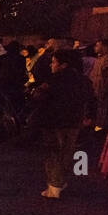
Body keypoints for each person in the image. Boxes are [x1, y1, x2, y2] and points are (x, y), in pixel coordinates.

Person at [31, 47, 94, 199]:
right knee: (66, 152)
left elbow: (39, 97)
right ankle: (59, 182)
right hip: (74, 122)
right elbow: (91, 99)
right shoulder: (84, 80)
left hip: (53, 121)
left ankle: (54, 187)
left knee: (53, 153)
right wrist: (90, 116)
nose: (51, 65)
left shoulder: (53, 80)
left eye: (53, 62)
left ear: (63, 65)